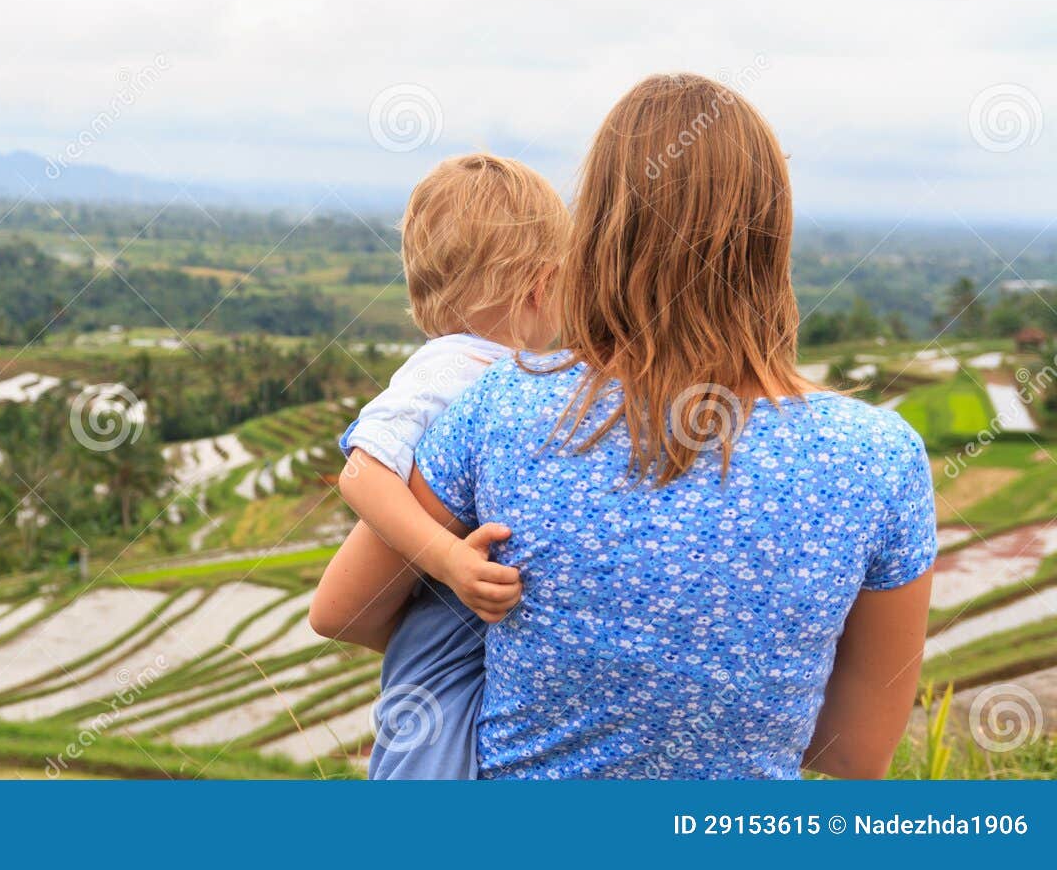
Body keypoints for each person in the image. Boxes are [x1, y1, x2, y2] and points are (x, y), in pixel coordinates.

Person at [320, 73, 935, 779]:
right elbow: (855, 752)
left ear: (599, 233)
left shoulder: (502, 408)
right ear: (772, 240)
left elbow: (344, 609)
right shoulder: (878, 462)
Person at [309, 151, 568, 778]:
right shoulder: (454, 369)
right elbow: (361, 472)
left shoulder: (490, 368)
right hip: (445, 609)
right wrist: (447, 559)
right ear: (540, 284)